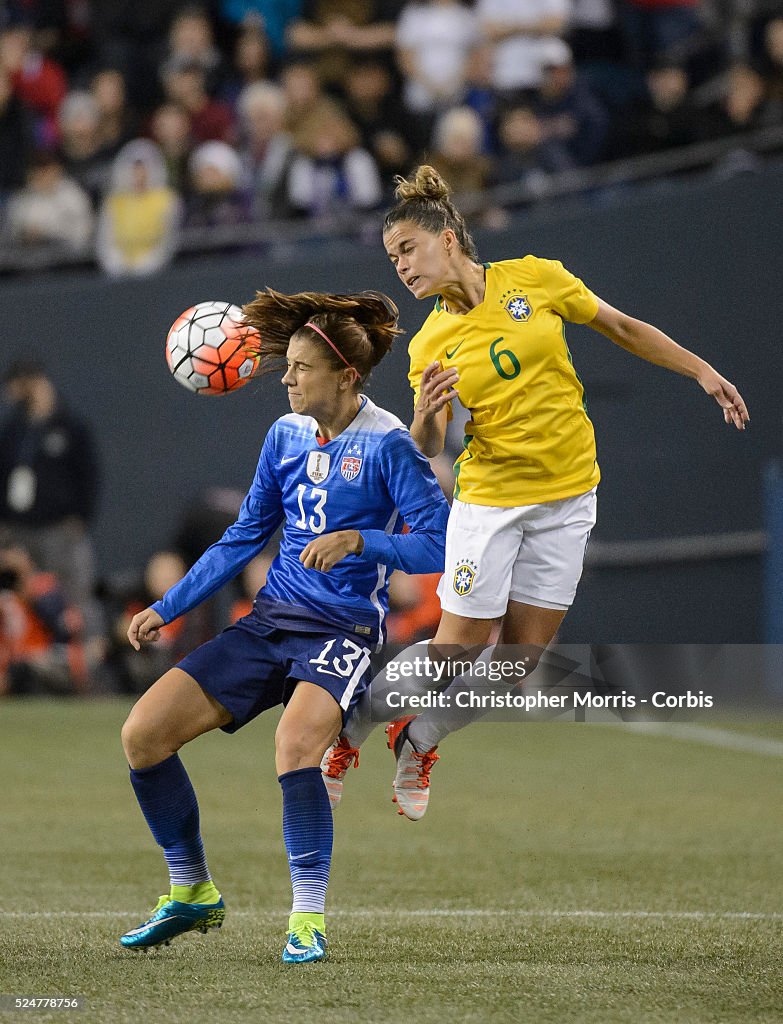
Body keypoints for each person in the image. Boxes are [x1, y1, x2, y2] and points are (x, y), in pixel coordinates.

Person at [322, 163, 749, 820]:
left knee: (516, 665)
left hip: (569, 496)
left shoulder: (535, 276)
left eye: (407, 249)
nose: (400, 267)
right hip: (490, 501)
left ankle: (418, 737)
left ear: (447, 238)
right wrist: (427, 413)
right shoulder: (430, 341)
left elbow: (622, 327)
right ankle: (350, 730)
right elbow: (430, 445)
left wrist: (701, 371)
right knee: (450, 654)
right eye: (391, 258)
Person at [118, 289, 449, 963]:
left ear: (345, 377)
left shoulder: (387, 443)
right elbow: (244, 535)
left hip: (342, 631)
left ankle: (306, 919)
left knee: (295, 748)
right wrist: (168, 606)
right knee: (143, 737)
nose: (287, 377)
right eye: (288, 365)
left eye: (300, 367)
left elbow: (440, 545)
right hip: (271, 620)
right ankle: (191, 892)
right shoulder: (284, 434)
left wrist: (362, 541)